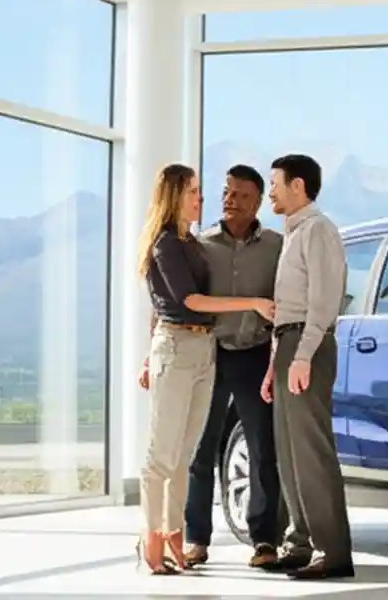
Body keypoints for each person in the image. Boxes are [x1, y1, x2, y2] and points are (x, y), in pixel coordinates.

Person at [134, 163, 275, 576]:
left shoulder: (191, 243)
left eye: (200, 191)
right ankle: (153, 536)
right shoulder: (167, 243)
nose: (206, 198)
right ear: (175, 195)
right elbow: (188, 300)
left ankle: (175, 534)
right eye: (195, 191)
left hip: (205, 350)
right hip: (180, 348)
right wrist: (252, 301)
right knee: (165, 456)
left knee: (185, 454)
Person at [255, 153, 355, 581]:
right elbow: (287, 310)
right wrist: (274, 363)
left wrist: (302, 355)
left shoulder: (318, 230)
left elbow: (324, 301)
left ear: (298, 186)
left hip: (307, 344)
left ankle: (332, 552)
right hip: (286, 342)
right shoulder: (293, 233)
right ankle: (299, 544)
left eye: (275, 183)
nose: (270, 191)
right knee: (289, 453)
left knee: (312, 452)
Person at [183, 165, 285, 569]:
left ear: (257, 201)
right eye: (226, 192)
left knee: (263, 450)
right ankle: (196, 539)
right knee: (200, 449)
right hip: (208, 354)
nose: (230, 200)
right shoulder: (200, 244)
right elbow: (181, 299)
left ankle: (264, 540)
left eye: (240, 194)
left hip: (255, 354)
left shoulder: (276, 246)